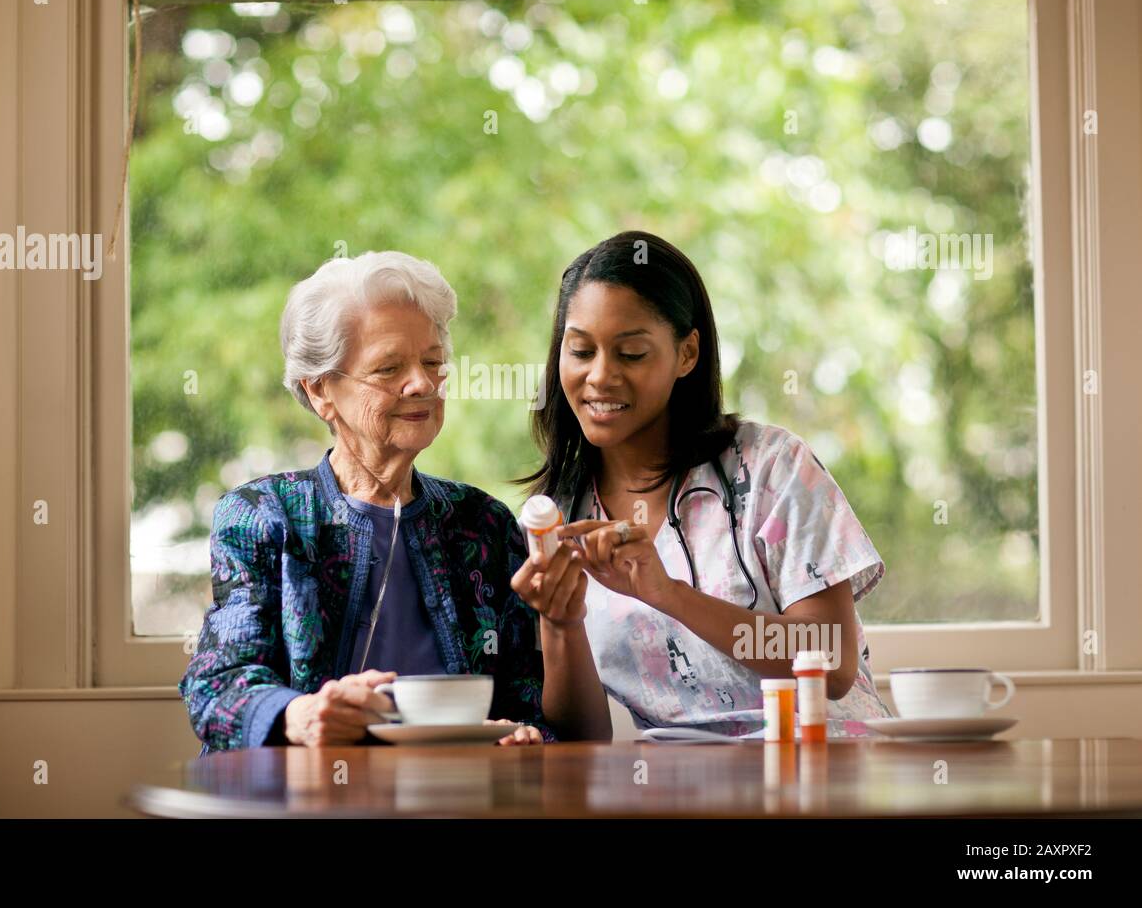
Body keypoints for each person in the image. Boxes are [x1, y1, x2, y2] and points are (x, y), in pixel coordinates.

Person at [180, 251, 600, 753]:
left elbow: (527, 700)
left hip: (455, 800)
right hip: (307, 805)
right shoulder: (265, 515)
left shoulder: (482, 523)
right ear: (320, 393)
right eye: (388, 367)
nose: (422, 383)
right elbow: (216, 686)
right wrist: (300, 714)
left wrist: (528, 735)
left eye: (432, 363)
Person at [511, 231, 895, 738]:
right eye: (581, 350)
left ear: (687, 353)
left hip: (823, 781)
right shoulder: (560, 514)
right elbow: (586, 738)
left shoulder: (771, 467)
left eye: (631, 354)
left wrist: (668, 593)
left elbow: (832, 661)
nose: (600, 376)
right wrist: (560, 623)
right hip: (679, 796)